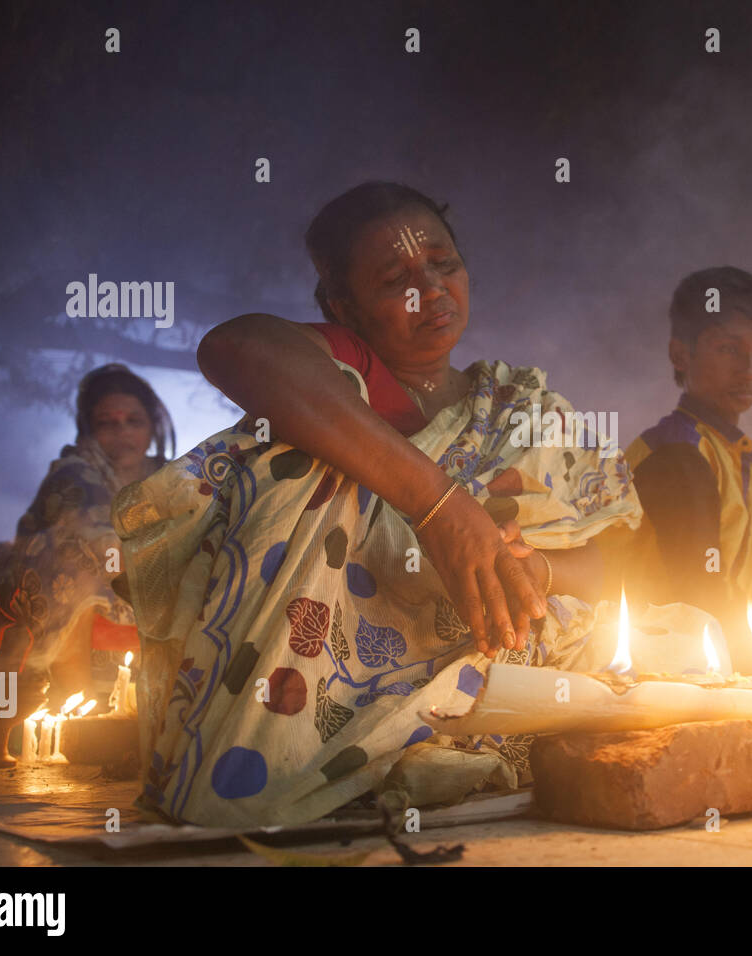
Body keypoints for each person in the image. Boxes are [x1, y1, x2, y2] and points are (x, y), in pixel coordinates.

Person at [113, 182, 641, 826]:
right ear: (344, 305)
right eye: (397, 280)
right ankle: (282, 758)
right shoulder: (351, 382)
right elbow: (234, 347)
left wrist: (539, 574)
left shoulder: (525, 415)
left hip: (496, 649)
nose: (434, 289)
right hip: (328, 680)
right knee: (294, 465)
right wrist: (440, 508)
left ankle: (442, 734)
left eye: (444, 264)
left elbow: (605, 570)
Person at [0, 365, 174, 763]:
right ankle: (81, 708)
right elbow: (97, 537)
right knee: (75, 558)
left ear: (152, 425)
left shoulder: (168, 478)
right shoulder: (73, 471)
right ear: (88, 430)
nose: (121, 432)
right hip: (35, 603)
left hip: (139, 591)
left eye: (133, 421)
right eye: (107, 423)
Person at [600, 267, 752, 675]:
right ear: (680, 354)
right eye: (728, 349)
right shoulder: (676, 454)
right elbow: (699, 596)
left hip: (718, 660)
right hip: (666, 672)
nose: (749, 370)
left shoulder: (736, 458)